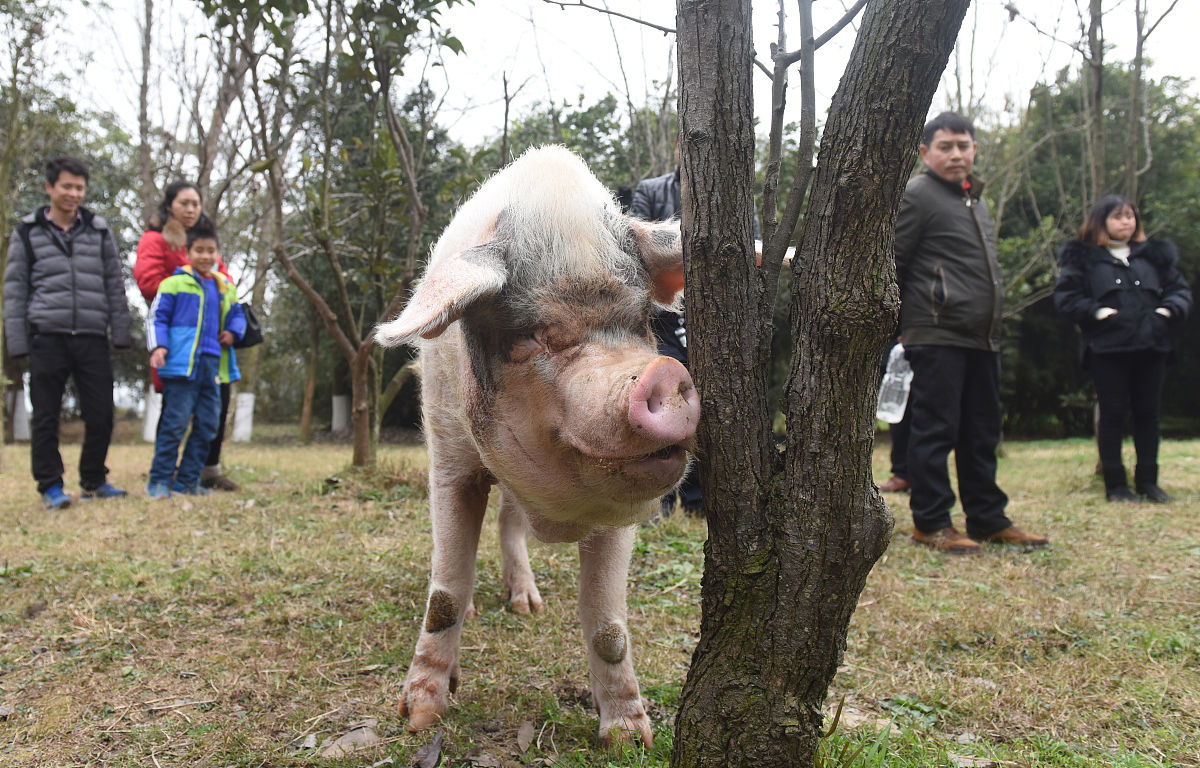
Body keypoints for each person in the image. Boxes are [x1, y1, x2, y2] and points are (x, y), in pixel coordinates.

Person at [894, 112, 1048, 554]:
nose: (957, 154)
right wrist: (903, 328)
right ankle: (932, 522)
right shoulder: (918, 194)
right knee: (935, 431)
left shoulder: (975, 200)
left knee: (982, 432)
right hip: (936, 333)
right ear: (925, 153)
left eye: (964, 145)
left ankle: (987, 518)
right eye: (946, 146)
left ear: (975, 149)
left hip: (983, 336)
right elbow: (896, 263)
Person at [3, 156, 132, 509]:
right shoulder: (27, 232)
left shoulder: (99, 230)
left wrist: (121, 332)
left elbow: (114, 284)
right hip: (48, 335)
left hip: (91, 335)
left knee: (102, 413)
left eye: (80, 187)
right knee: (45, 415)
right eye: (67, 186)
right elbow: (14, 290)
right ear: (50, 188)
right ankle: (50, 486)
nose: (74, 193)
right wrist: (17, 341)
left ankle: (94, 479)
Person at [1052, 196, 1192, 503]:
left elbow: (1179, 290)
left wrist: (1166, 312)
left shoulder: (1154, 256)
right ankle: (1116, 486)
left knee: (1148, 415)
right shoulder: (1083, 259)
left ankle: (1148, 483)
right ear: (1101, 222)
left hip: (1151, 347)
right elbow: (1066, 297)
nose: (1126, 222)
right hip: (1107, 349)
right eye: (1118, 217)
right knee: (1113, 415)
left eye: (1130, 216)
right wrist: (1098, 313)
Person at [135, 181, 240, 491]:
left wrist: (232, 325)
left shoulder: (208, 250)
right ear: (170, 206)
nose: (192, 209)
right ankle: (162, 478)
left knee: (211, 417)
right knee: (175, 417)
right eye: (185, 203)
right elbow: (150, 284)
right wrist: (187, 286)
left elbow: (227, 289)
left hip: (212, 350)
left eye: (196, 203)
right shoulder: (157, 243)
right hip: (179, 347)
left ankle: (197, 476)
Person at [630, 143, 702, 518]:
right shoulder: (651, 189)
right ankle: (662, 501)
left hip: (707, 314)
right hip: (662, 317)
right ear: (676, 148)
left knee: (703, 400)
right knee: (663, 399)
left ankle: (696, 502)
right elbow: (635, 249)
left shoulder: (732, 196)